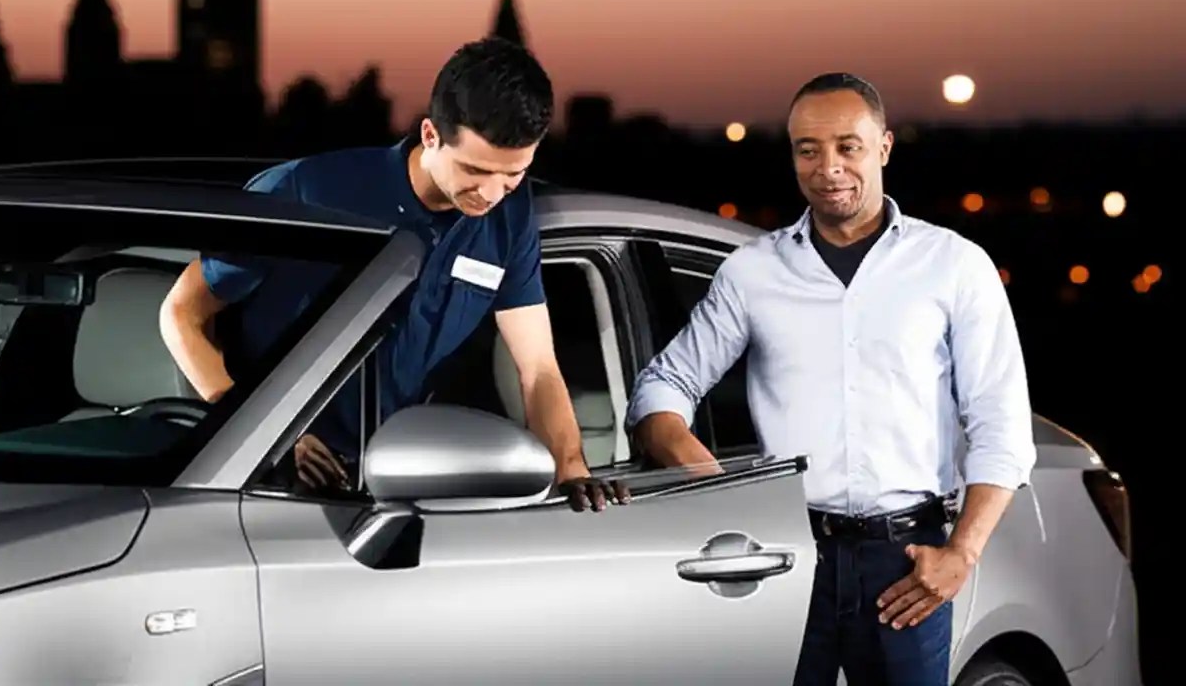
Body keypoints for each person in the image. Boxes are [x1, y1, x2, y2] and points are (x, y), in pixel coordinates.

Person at [623, 72, 1037, 684]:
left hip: (906, 561)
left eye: (849, 147)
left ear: (885, 147)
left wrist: (961, 554)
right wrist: (716, 486)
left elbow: (1001, 425)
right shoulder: (752, 273)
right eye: (807, 150)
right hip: (784, 555)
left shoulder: (953, 265)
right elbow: (662, 387)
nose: (828, 168)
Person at [159, 37, 629, 513]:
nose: (490, 194)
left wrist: (572, 469)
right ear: (430, 135)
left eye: (512, 177)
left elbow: (538, 368)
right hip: (258, 482)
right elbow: (181, 315)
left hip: (390, 485)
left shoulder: (509, 219)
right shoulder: (307, 193)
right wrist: (256, 440)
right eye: (474, 170)